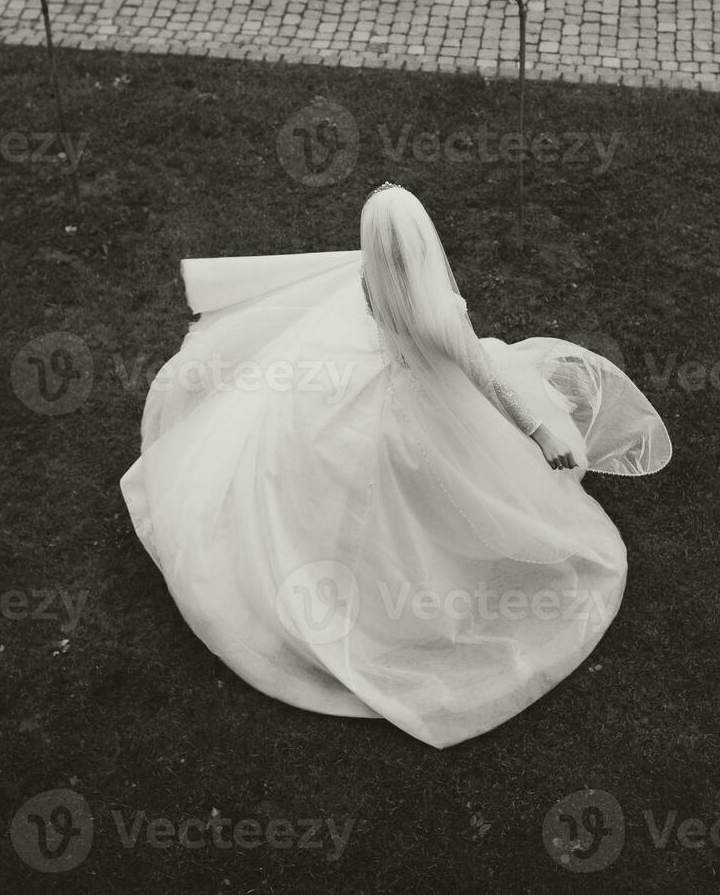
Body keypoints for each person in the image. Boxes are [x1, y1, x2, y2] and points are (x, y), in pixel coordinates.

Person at [119, 183, 671, 747]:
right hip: (438, 410)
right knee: (457, 499)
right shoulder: (440, 314)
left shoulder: (368, 276)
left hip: (392, 394)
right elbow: (491, 380)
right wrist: (539, 431)